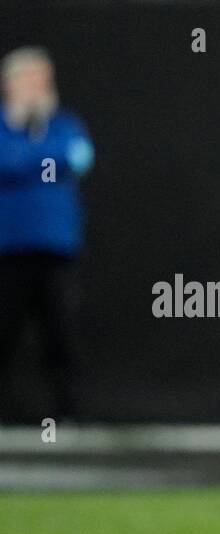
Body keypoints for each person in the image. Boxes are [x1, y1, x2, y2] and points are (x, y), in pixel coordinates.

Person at [0, 47, 94, 418]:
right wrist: (37, 156)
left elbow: (78, 158)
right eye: (31, 81)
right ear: (10, 85)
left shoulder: (64, 124)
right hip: (9, 249)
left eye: (44, 81)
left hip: (57, 249)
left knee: (63, 337)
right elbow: (7, 161)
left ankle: (71, 417)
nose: (39, 89)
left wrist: (28, 158)